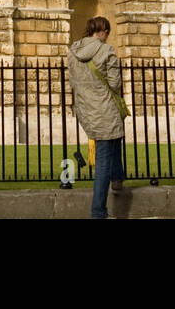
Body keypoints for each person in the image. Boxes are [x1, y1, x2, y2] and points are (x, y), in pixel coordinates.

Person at [67, 16, 127, 219]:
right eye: (107, 32)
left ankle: (118, 178)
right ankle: (98, 213)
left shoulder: (73, 51)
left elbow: (73, 81)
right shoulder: (106, 50)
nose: (107, 36)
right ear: (102, 31)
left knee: (114, 139)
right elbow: (115, 83)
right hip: (104, 108)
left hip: (86, 109)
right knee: (103, 161)